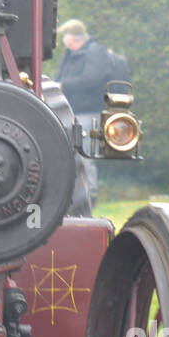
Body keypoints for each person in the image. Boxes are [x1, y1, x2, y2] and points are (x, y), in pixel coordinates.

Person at [54, 19, 112, 206]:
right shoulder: (72, 54)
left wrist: (63, 85)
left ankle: (90, 196)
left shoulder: (94, 52)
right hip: (73, 111)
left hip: (88, 112)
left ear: (73, 38)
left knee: (86, 156)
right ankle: (74, 197)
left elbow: (92, 79)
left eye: (65, 36)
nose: (63, 40)